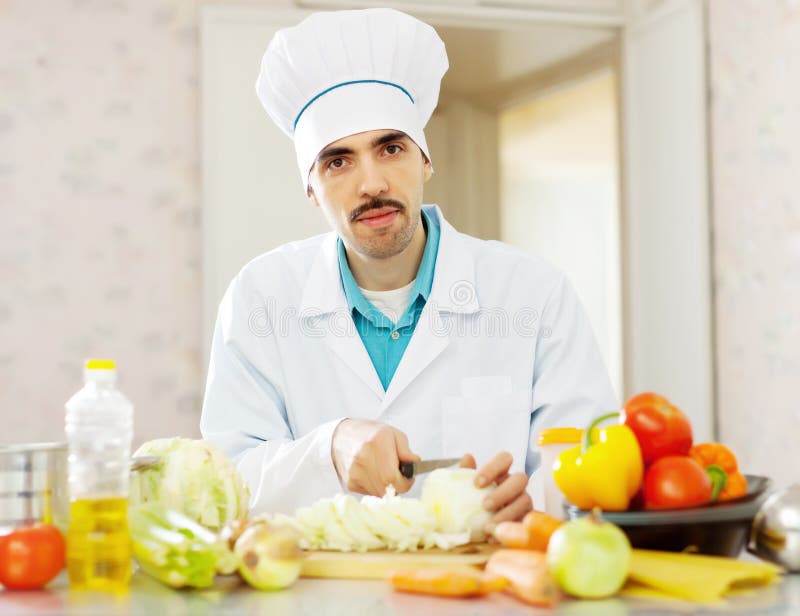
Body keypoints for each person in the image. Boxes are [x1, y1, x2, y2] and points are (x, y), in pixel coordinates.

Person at [200, 8, 618, 530]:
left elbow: (591, 469)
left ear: (424, 160)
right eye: (338, 161)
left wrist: (536, 503)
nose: (371, 183)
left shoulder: (534, 294)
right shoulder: (259, 299)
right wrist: (328, 450)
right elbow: (226, 485)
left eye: (390, 148)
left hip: (484, 598)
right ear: (311, 189)